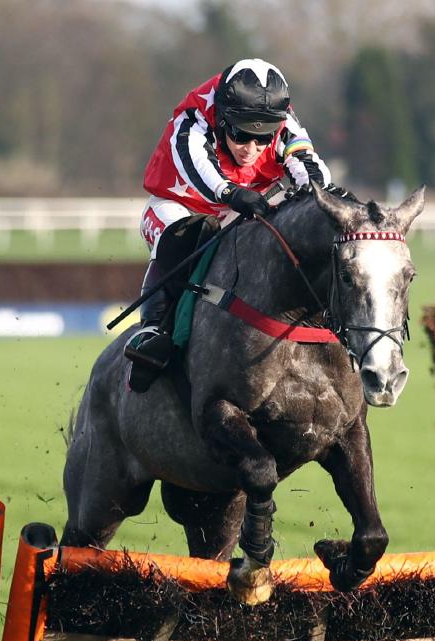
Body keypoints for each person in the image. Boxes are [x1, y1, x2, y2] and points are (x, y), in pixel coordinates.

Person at [123, 57, 351, 391]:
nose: (251, 149)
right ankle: (153, 329)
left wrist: (322, 195)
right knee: (186, 234)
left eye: (263, 139)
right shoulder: (193, 118)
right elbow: (199, 167)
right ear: (222, 119)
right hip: (182, 204)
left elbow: (308, 164)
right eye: (241, 135)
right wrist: (231, 193)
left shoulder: (284, 121)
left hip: (246, 201)